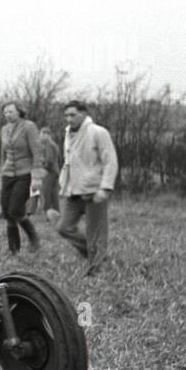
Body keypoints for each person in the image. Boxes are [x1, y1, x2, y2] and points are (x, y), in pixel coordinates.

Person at [57, 100, 118, 274]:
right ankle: (97, 255)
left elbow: (110, 161)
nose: (69, 119)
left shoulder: (98, 132)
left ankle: (96, 270)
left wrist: (105, 188)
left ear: (84, 114)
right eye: (67, 115)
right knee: (64, 227)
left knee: (96, 233)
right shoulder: (68, 134)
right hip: (73, 190)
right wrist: (64, 184)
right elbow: (68, 162)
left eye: (73, 115)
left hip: (94, 190)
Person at [0, 101, 41, 253]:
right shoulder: (4, 129)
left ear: (19, 112)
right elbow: (2, 155)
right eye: (5, 113)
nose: (7, 115)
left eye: (10, 112)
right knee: (5, 210)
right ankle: (13, 249)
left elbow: (36, 152)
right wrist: (0, 179)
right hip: (7, 173)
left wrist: (37, 177)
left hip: (25, 173)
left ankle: (33, 238)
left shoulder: (29, 127)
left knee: (15, 209)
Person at [38, 123, 62, 219]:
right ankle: (56, 213)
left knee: (46, 193)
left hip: (50, 172)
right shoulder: (53, 144)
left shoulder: (49, 145)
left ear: (47, 135)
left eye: (42, 134)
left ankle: (48, 214)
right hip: (55, 171)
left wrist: (44, 168)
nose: (41, 137)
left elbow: (49, 160)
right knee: (53, 193)